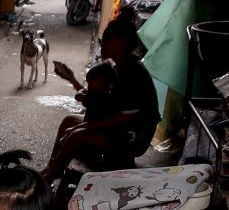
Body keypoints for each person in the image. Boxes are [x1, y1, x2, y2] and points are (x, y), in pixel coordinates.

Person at [46, 19, 159, 180]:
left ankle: (51, 176)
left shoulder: (131, 72)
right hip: (122, 127)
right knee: (69, 121)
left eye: (107, 39)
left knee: (76, 135)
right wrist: (71, 79)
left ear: (122, 42)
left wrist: (88, 125)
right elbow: (98, 99)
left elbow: (126, 116)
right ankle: (51, 167)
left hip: (134, 135)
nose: (102, 44)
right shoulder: (118, 67)